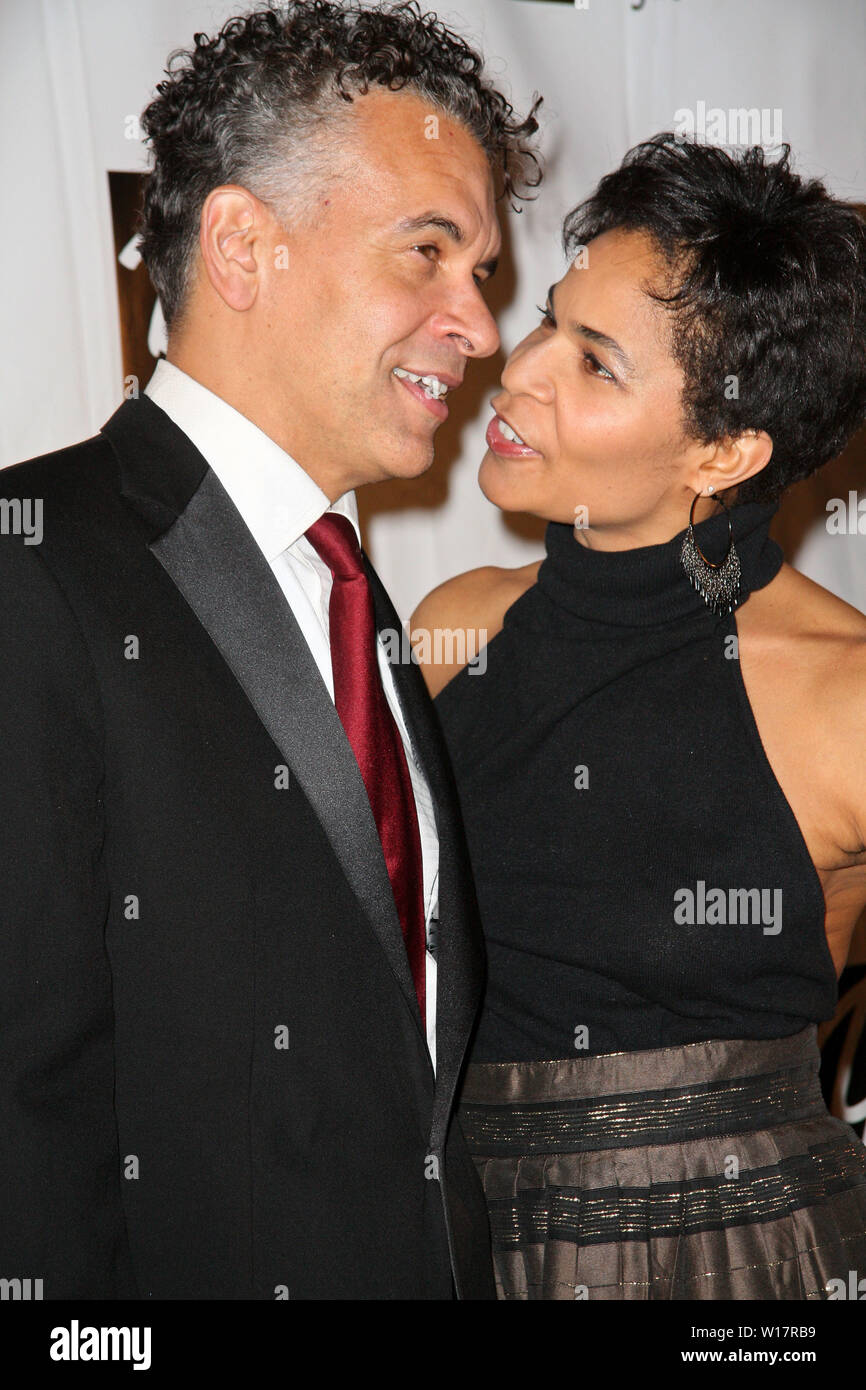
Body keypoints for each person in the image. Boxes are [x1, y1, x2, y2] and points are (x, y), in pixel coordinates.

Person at [0, 1, 540, 1299]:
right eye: (428, 252)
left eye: (480, 272)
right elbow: (22, 1104)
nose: (476, 325)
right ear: (243, 247)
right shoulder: (30, 564)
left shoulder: (354, 593)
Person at [412, 134, 866, 1300]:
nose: (518, 372)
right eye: (550, 321)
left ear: (723, 449)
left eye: (595, 362)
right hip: (444, 1237)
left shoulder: (840, 690)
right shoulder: (449, 630)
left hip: (727, 1266)